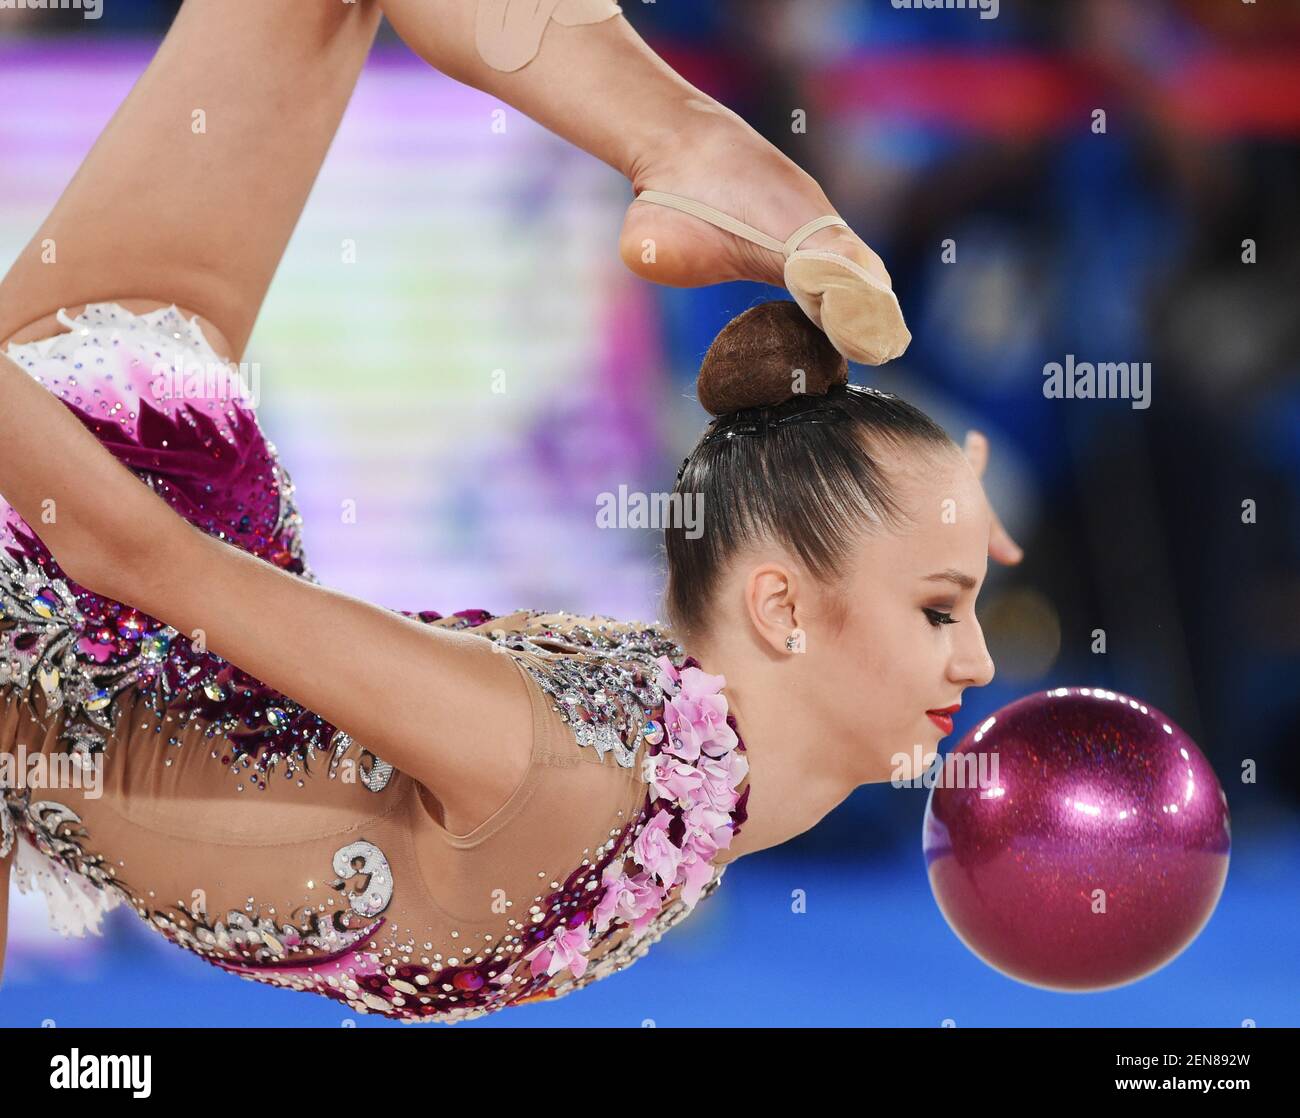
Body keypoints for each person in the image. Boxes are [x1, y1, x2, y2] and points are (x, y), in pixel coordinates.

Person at [0, 0, 1017, 1023]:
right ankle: (690, 149)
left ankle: (689, 149)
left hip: (86, 603)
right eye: (942, 613)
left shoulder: (690, 775)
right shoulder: (564, 763)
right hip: (67, 548)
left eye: (956, 612)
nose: (977, 662)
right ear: (782, 609)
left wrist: (923, 522)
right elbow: (122, 549)